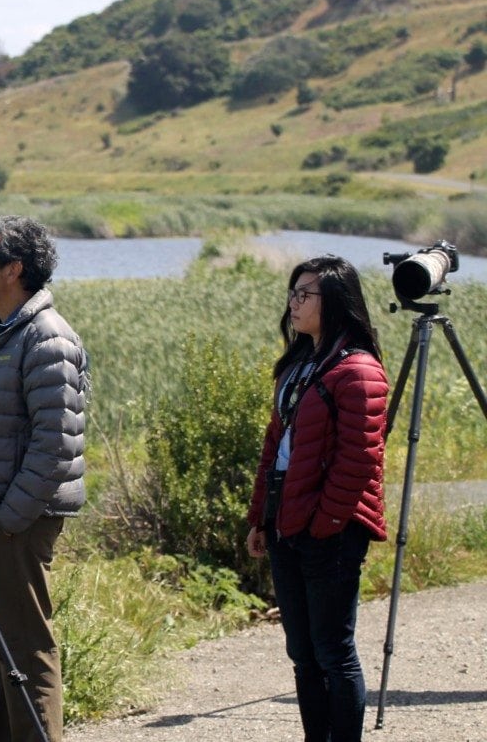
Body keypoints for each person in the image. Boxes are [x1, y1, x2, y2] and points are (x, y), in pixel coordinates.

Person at [0, 215, 89, 742]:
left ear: (14, 270)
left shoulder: (46, 336)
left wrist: (9, 520)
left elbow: (57, 442)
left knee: (25, 651)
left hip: (11, 521)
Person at [246, 255, 389, 742]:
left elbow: (360, 461)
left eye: (304, 294)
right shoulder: (300, 363)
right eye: (292, 293)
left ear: (336, 303)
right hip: (289, 522)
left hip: (330, 530)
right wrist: (260, 519)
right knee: (302, 652)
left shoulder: (358, 370)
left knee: (333, 651)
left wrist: (326, 523)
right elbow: (275, 447)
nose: (294, 303)